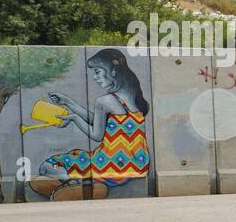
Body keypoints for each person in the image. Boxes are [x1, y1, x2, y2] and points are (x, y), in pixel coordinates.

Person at [31, 48, 150, 201]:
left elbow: (96, 135)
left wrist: (74, 118)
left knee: (48, 166)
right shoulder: (134, 97)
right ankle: (73, 185)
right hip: (136, 164)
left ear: (112, 71)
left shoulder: (105, 101)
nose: (95, 77)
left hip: (108, 164)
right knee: (72, 162)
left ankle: (81, 184)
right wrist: (68, 102)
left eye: (97, 72)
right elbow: (100, 121)